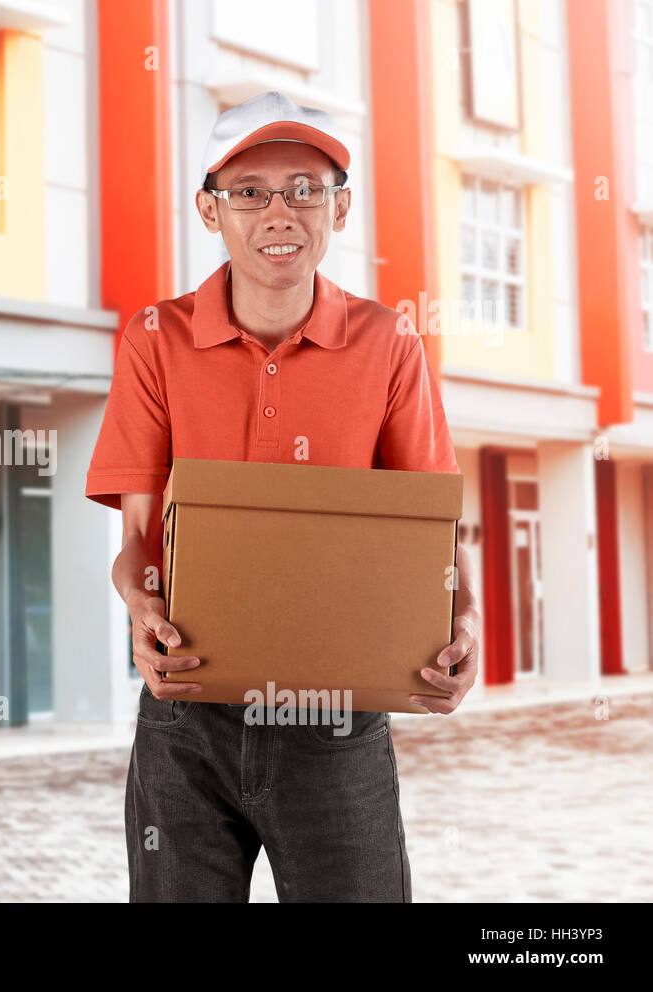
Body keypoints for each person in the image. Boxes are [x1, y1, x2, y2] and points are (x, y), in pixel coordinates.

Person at [84, 91, 482, 902]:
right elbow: (136, 541)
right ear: (209, 209)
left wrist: (465, 622)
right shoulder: (154, 338)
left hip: (338, 716)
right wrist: (141, 611)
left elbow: (431, 524)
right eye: (251, 190)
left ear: (339, 206)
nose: (280, 212)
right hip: (188, 707)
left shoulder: (389, 342)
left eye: (306, 188)